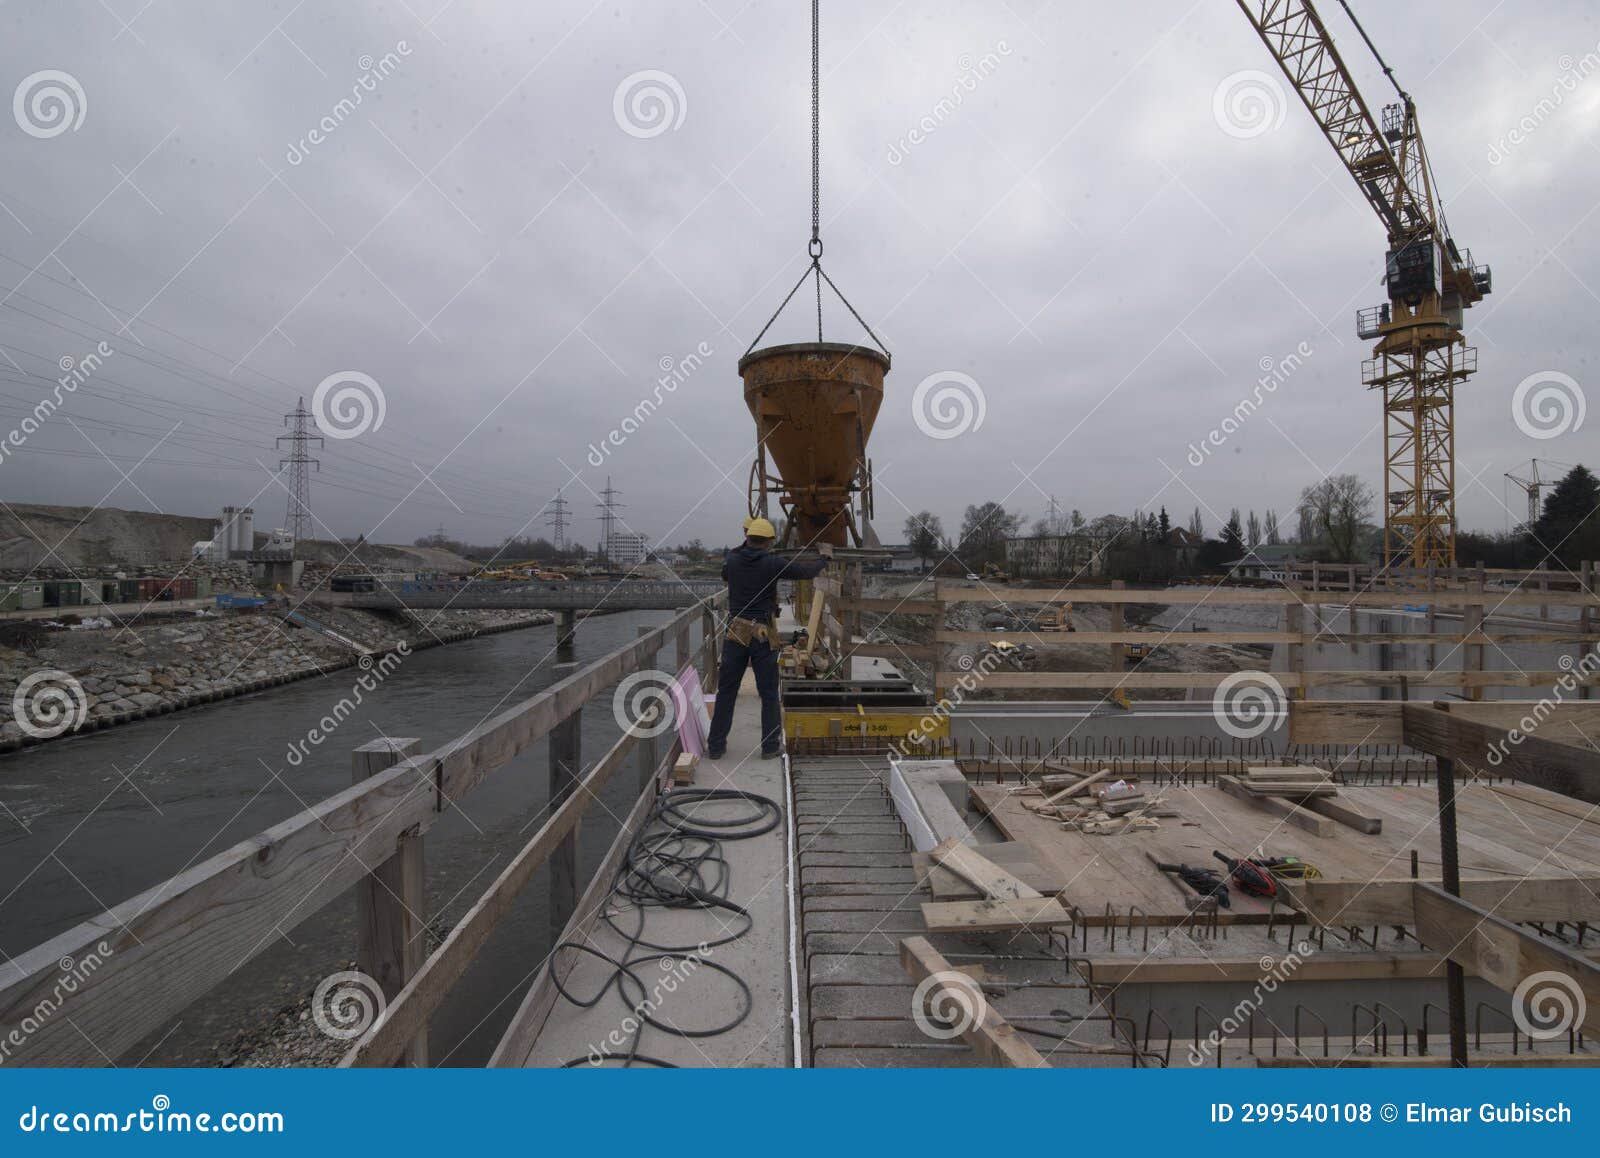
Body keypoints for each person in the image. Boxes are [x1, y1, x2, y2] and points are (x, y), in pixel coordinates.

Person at [705, 516, 831, 760]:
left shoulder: (732, 559)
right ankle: (770, 747)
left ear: (748, 538)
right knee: (769, 693)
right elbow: (805, 572)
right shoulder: (773, 563)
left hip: (736, 632)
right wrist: (824, 558)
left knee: (727, 691)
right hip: (762, 634)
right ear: (768, 542)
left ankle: (716, 746)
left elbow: (726, 573)